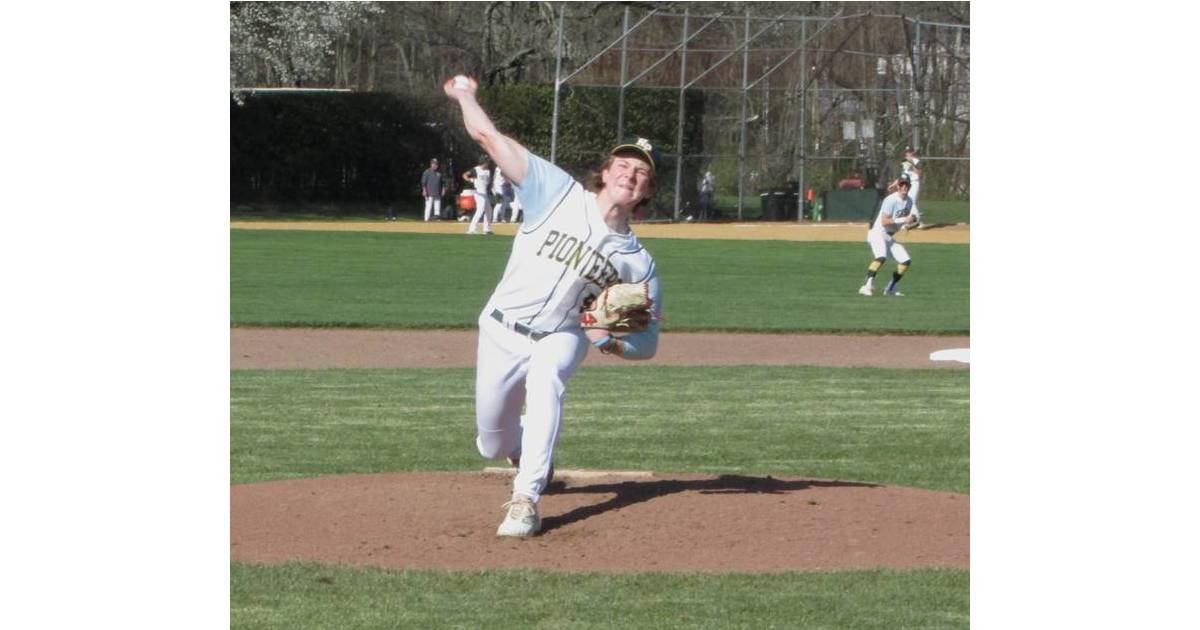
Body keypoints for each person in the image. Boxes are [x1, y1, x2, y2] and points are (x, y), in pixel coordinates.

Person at [443, 74, 663, 538]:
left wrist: (611, 344)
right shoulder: (556, 190)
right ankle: (519, 448)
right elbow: (489, 137)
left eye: (641, 172)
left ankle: (526, 499)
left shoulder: (637, 263)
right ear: (605, 172)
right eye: (624, 164)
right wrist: (465, 95)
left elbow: (646, 344)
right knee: (491, 441)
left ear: (646, 192)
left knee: (547, 380)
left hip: (563, 335)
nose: (630, 173)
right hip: (502, 328)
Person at [859, 174, 917, 297]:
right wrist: (904, 220)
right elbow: (885, 221)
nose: (904, 187)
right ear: (898, 186)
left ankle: (890, 288)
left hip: (888, 236)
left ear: (910, 186)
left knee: (905, 261)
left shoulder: (909, 201)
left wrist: (908, 224)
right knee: (881, 257)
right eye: (902, 184)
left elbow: (900, 221)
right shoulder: (891, 199)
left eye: (906, 184)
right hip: (877, 233)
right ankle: (866, 286)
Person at [463, 154, 494, 235]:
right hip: (478, 193)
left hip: (485, 193)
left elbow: (488, 183)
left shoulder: (488, 171)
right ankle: (472, 229)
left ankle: (486, 229)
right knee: (480, 210)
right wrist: (470, 180)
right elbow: (464, 175)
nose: (488, 163)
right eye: (487, 162)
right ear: (483, 162)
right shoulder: (475, 169)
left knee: (489, 210)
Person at [899, 147, 924, 226]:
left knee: (911, 201)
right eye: (907, 152)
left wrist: (912, 167)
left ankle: (917, 219)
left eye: (910, 152)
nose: (908, 153)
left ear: (913, 152)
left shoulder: (917, 161)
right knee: (908, 202)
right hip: (907, 183)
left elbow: (920, 174)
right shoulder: (905, 161)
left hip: (915, 182)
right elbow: (903, 173)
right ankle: (913, 221)